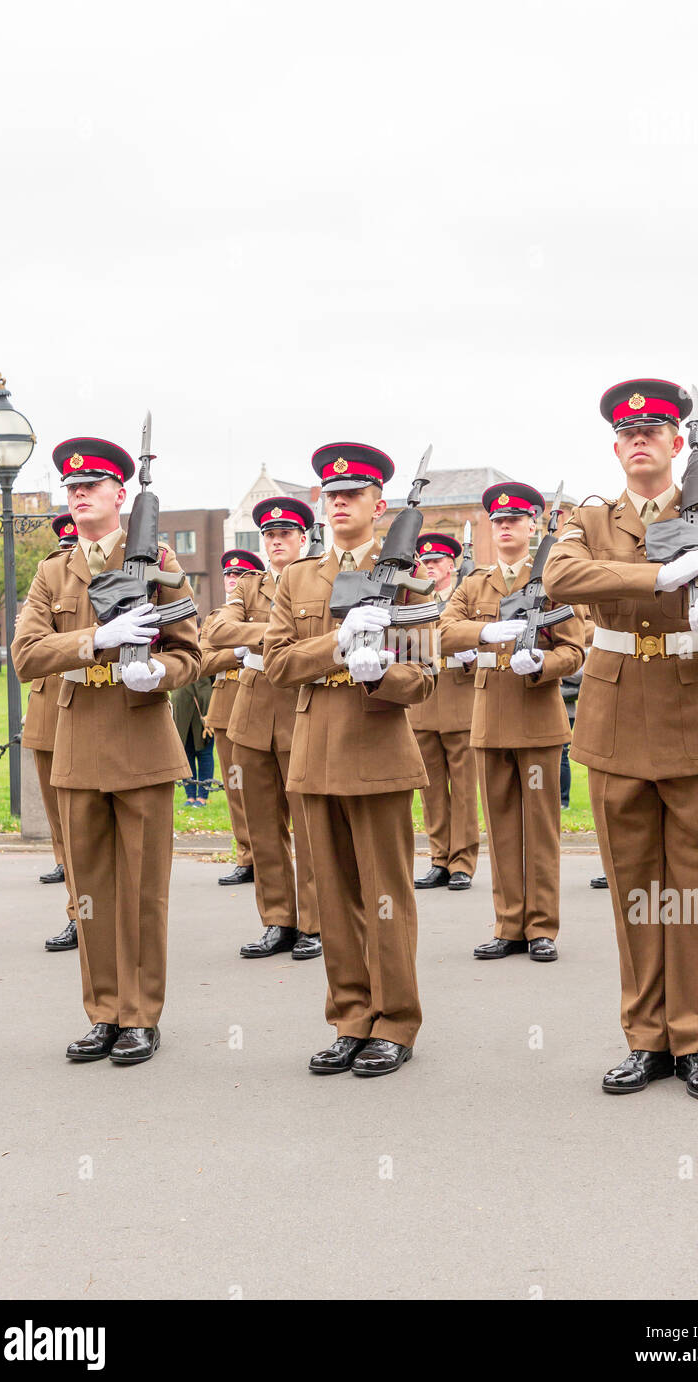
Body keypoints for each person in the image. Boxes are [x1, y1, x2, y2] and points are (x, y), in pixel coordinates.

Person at [544, 379, 698, 1103]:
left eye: (654, 430)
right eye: (628, 432)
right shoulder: (589, 518)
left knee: (696, 895)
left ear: (676, 443)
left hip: (697, 715)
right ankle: (645, 1039)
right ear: (616, 448)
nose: (640, 439)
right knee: (636, 892)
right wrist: (660, 574)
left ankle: (694, 1039)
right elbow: (560, 576)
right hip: (616, 720)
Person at [12, 436, 200, 1065]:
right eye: (72, 486)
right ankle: (103, 1013)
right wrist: (96, 638)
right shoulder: (53, 571)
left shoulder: (158, 559)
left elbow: (190, 653)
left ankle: (140, 1016)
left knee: (142, 892)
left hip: (142, 740)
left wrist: (159, 673)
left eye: (91, 485)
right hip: (78, 744)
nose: (79, 493)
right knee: (90, 891)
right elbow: (26, 655)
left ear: (121, 493)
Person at [263, 443, 435, 1076]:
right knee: (332, 900)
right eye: (331, 495)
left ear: (377, 505)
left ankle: (395, 1022)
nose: (340, 503)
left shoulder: (410, 578)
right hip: (315, 753)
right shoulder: (297, 578)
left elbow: (423, 679)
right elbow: (278, 663)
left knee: (386, 895)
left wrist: (380, 674)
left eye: (353, 494)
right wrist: (336, 644)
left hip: (379, 747)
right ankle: (350, 1018)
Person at [440, 483, 585, 962]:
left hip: (538, 716)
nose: (505, 527)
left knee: (540, 829)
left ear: (532, 525)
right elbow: (442, 630)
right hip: (489, 718)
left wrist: (544, 662)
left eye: (514, 520)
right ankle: (508, 924)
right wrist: (483, 631)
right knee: (501, 829)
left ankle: (541, 926)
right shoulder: (474, 584)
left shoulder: (553, 581)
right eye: (498, 521)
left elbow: (575, 650)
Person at [206, 504, 322, 962]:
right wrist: (278, 635)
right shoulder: (249, 585)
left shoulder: (319, 578)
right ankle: (278, 920)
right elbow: (218, 630)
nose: (276, 540)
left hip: (301, 710)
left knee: (310, 828)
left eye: (286, 532)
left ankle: (315, 922)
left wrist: (258, 637)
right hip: (252, 716)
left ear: (303, 538)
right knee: (262, 827)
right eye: (270, 533)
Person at [21, 511, 80, 950]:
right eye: (65, 546)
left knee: (83, 824)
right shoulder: (47, 578)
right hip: (46, 707)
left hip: (85, 704)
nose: (69, 552)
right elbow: (27, 646)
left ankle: (88, 911)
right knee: (60, 821)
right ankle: (76, 901)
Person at [409, 531, 479, 891]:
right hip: (424, 702)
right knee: (432, 789)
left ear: (451, 564)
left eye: (436, 561)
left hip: (460, 699)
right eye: (425, 562)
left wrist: (471, 655)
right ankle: (439, 858)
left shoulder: (464, 596)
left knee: (464, 789)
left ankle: (462, 861)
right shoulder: (414, 598)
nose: (430, 567)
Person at [199, 552, 257, 885]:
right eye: (229, 575)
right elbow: (201, 661)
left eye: (241, 575)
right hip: (225, 708)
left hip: (261, 705)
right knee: (236, 788)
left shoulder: (269, 610)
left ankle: (275, 854)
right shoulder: (216, 618)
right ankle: (247, 857)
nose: (233, 579)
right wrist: (235, 653)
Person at [172, 670, 215, 807]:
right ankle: (190, 795)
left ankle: (202, 796)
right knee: (185, 752)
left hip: (204, 703)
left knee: (205, 751)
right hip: (181, 702)